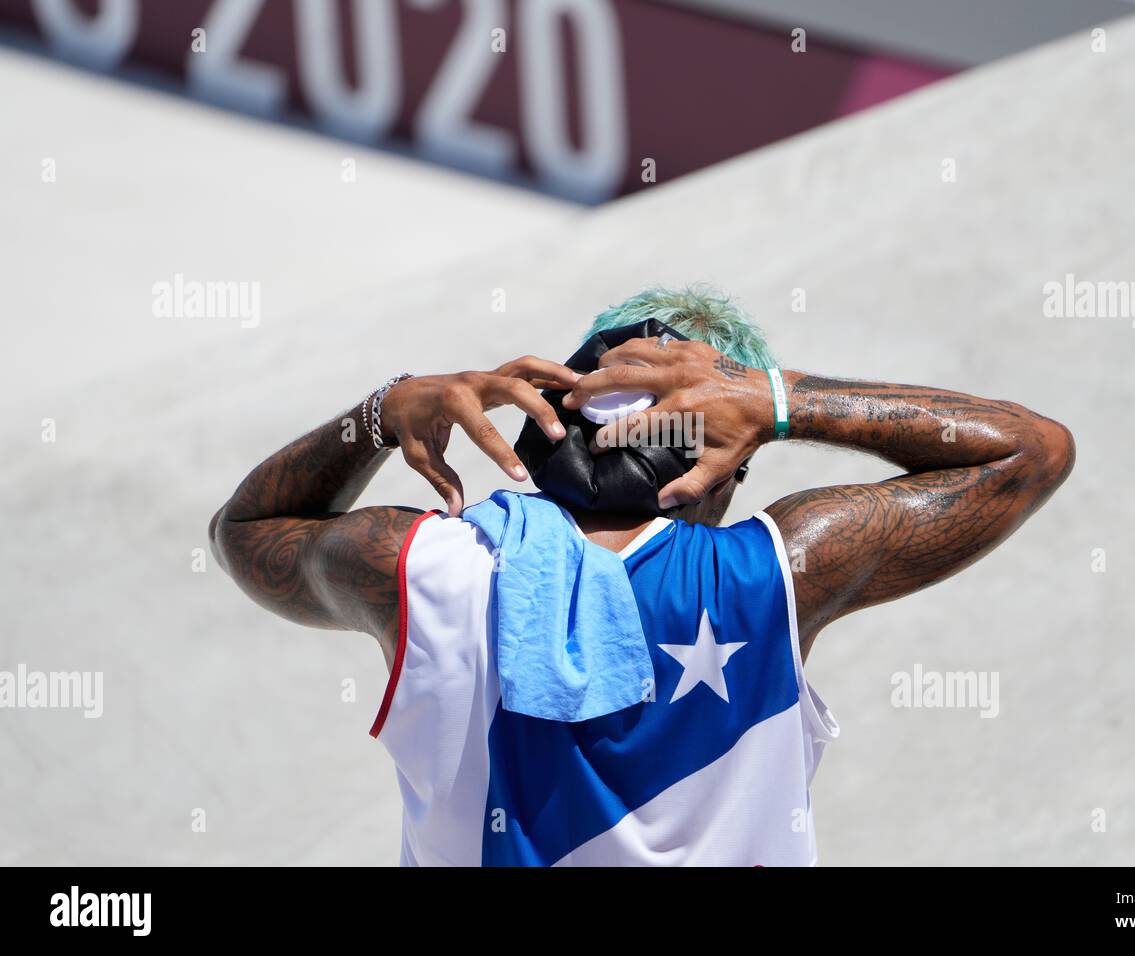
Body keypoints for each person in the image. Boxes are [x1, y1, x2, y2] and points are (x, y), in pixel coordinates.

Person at [209, 287, 1074, 865]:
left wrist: (380, 412)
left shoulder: (422, 570)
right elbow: (1032, 451)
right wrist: (779, 401)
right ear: (730, 458)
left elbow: (243, 530)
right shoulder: (777, 574)